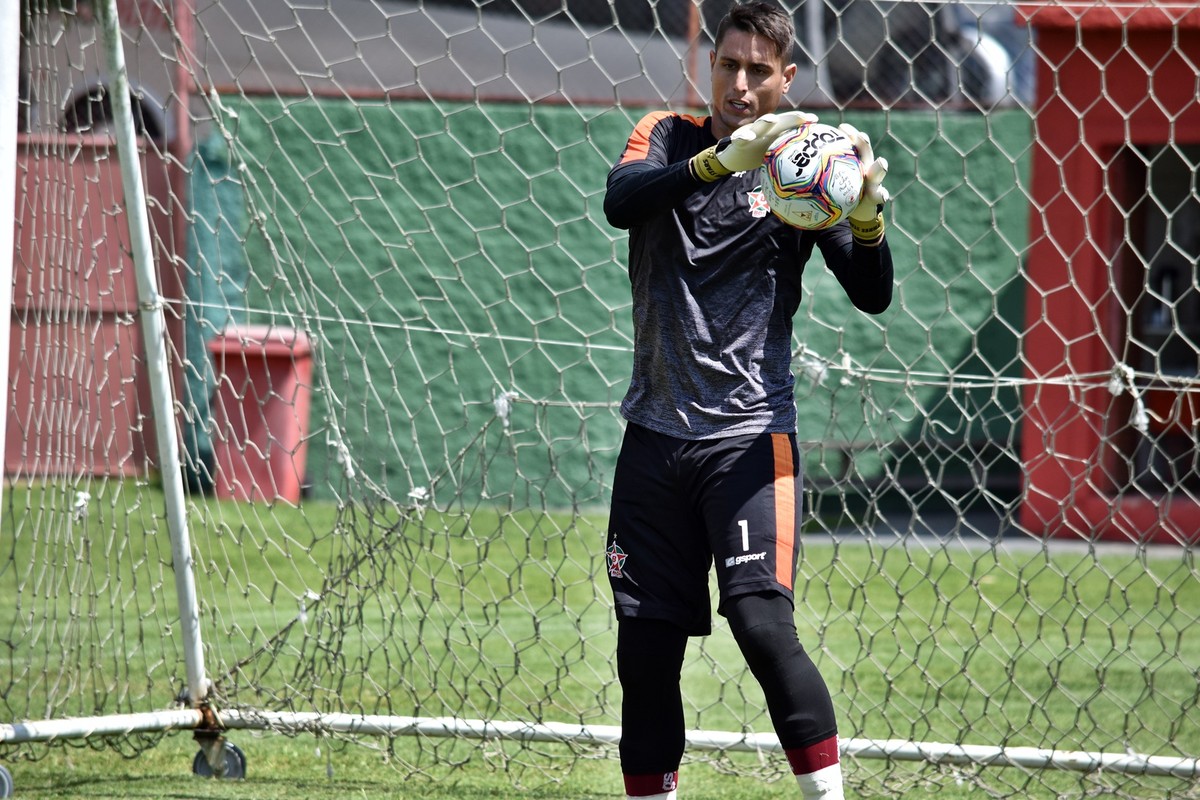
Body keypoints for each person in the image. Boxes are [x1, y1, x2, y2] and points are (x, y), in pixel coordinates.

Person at [602, 2, 893, 799]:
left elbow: (872, 293)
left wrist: (865, 220)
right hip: (654, 441)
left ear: (786, 78)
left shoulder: (805, 165)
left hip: (749, 443)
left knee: (764, 627)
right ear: (712, 68)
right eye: (728, 66)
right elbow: (621, 202)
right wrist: (723, 162)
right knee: (645, 650)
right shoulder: (667, 136)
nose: (739, 84)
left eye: (758, 71)